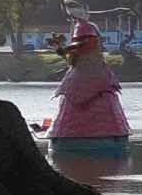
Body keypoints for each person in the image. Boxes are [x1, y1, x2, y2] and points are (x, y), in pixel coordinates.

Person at [37, 17, 131, 150]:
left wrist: (62, 48)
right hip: (72, 136)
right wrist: (60, 48)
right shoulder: (80, 56)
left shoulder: (87, 47)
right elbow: (69, 52)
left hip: (107, 134)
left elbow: (74, 48)